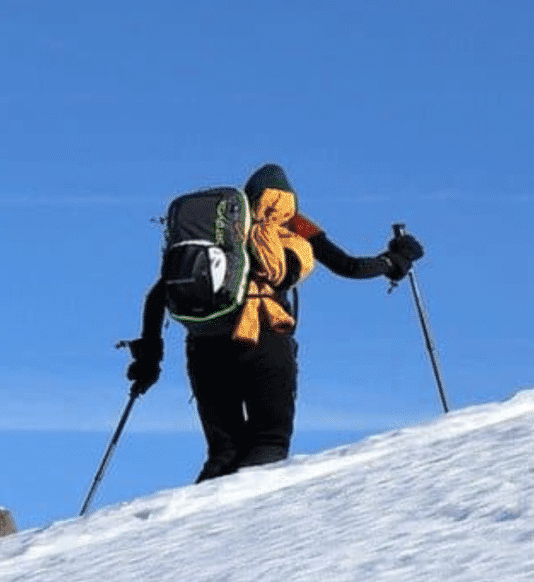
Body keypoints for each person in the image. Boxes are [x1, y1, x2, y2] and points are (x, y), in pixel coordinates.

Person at [125, 163, 424, 482]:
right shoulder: (296, 223)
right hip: (265, 340)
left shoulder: (231, 233)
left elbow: (158, 294)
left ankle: (193, 529)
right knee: (268, 443)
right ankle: (250, 530)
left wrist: (149, 359)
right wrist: (395, 260)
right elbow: (349, 266)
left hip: (203, 345)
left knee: (223, 453)